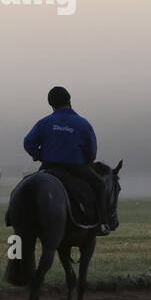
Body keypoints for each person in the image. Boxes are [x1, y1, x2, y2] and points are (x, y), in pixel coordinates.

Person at [23, 86, 112, 234]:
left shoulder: (44, 122)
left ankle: (12, 217)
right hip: (75, 168)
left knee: (27, 184)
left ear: (51, 104)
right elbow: (91, 152)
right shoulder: (83, 123)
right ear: (69, 100)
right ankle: (102, 223)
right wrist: (85, 161)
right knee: (100, 185)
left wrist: (40, 155)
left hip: (48, 167)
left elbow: (28, 142)